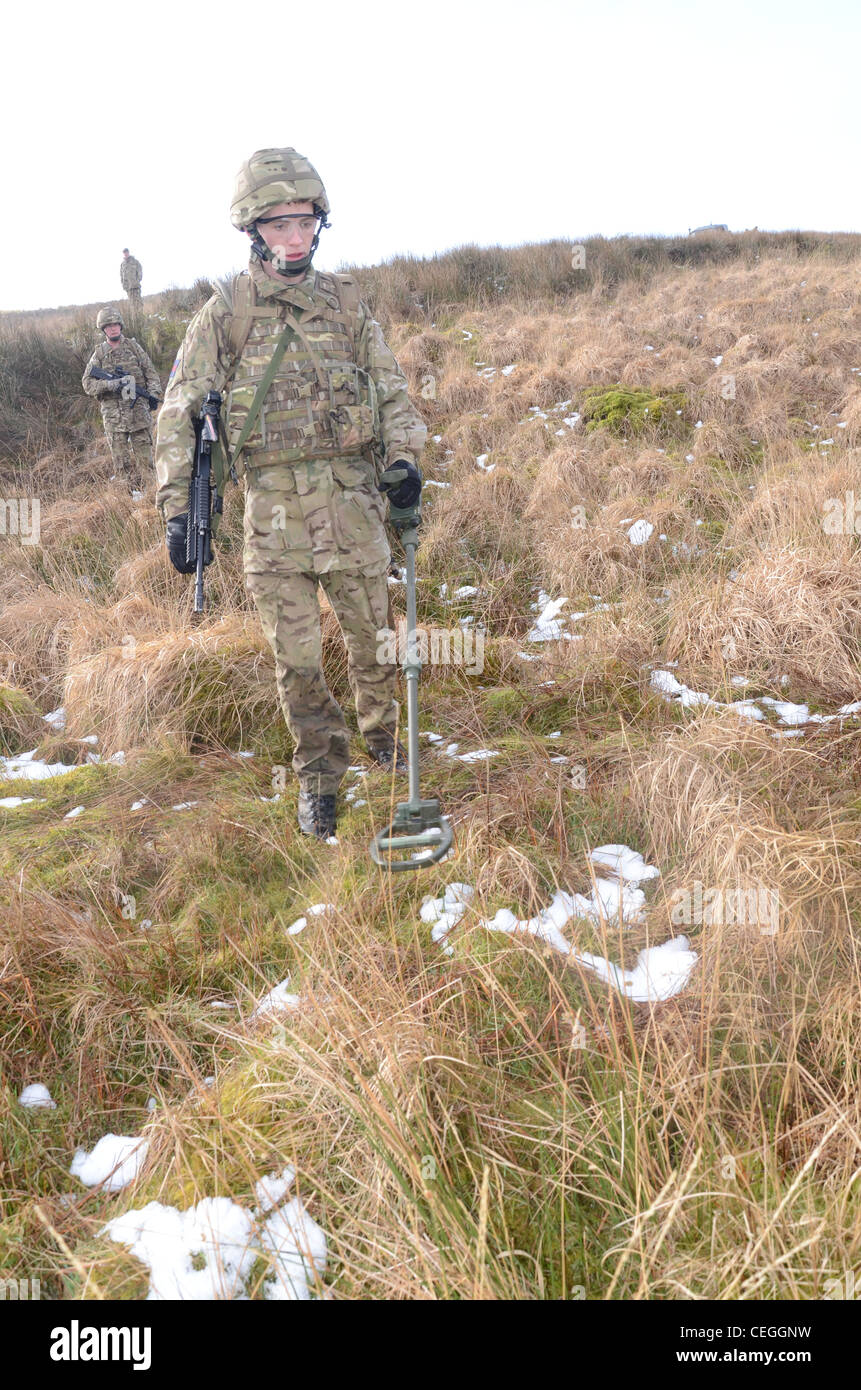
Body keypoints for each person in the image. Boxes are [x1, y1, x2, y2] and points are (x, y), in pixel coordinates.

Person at [155, 147, 425, 840]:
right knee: (298, 662)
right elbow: (178, 411)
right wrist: (179, 512)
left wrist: (402, 461)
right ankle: (318, 775)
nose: (295, 237)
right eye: (278, 225)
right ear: (253, 230)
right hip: (272, 521)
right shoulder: (226, 314)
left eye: (305, 222)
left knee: (375, 646)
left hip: (354, 508)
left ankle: (384, 739)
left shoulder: (347, 307)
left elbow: (392, 392)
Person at [82, 307, 162, 492]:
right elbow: (87, 383)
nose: (113, 329)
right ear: (103, 329)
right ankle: (124, 503)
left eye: (115, 324)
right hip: (114, 419)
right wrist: (110, 385)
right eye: (108, 326)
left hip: (139, 416)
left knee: (147, 464)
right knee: (121, 467)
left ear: (121, 325)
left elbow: (151, 373)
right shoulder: (100, 354)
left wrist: (154, 394)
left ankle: (152, 499)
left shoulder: (134, 348)